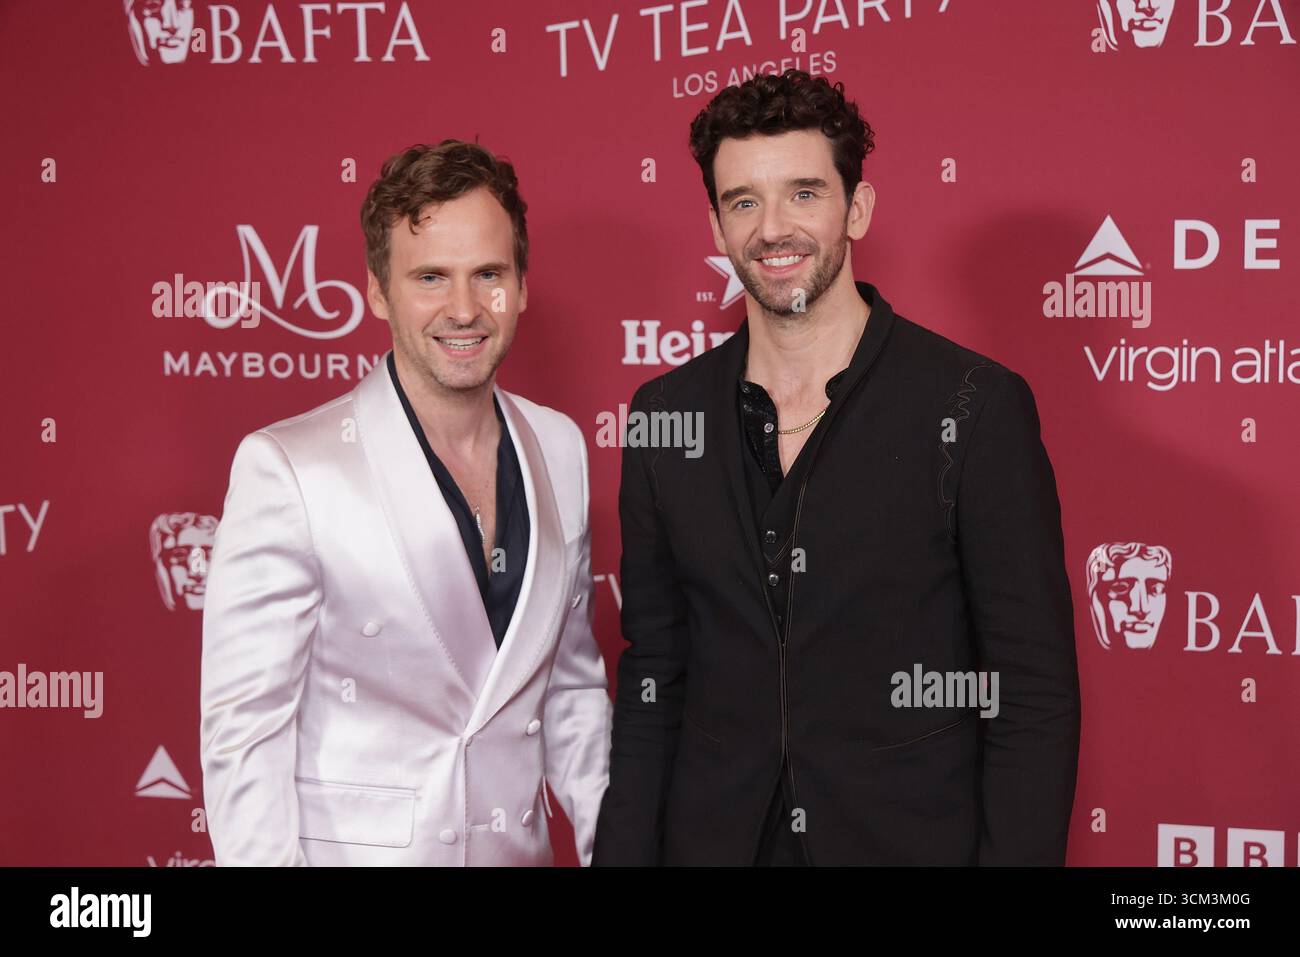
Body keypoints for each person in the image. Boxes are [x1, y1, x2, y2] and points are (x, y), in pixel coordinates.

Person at [593, 71, 1081, 866]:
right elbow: (654, 676)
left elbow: (1030, 693)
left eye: (804, 193)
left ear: (857, 209)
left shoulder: (973, 405)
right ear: (716, 225)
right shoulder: (663, 415)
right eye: (743, 200)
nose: (772, 228)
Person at [200, 140, 611, 866]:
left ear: (520, 284)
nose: (463, 308)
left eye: (488, 273)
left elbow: (570, 686)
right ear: (378, 292)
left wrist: (618, 848)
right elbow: (245, 737)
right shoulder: (291, 468)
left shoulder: (561, 448)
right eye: (431, 277)